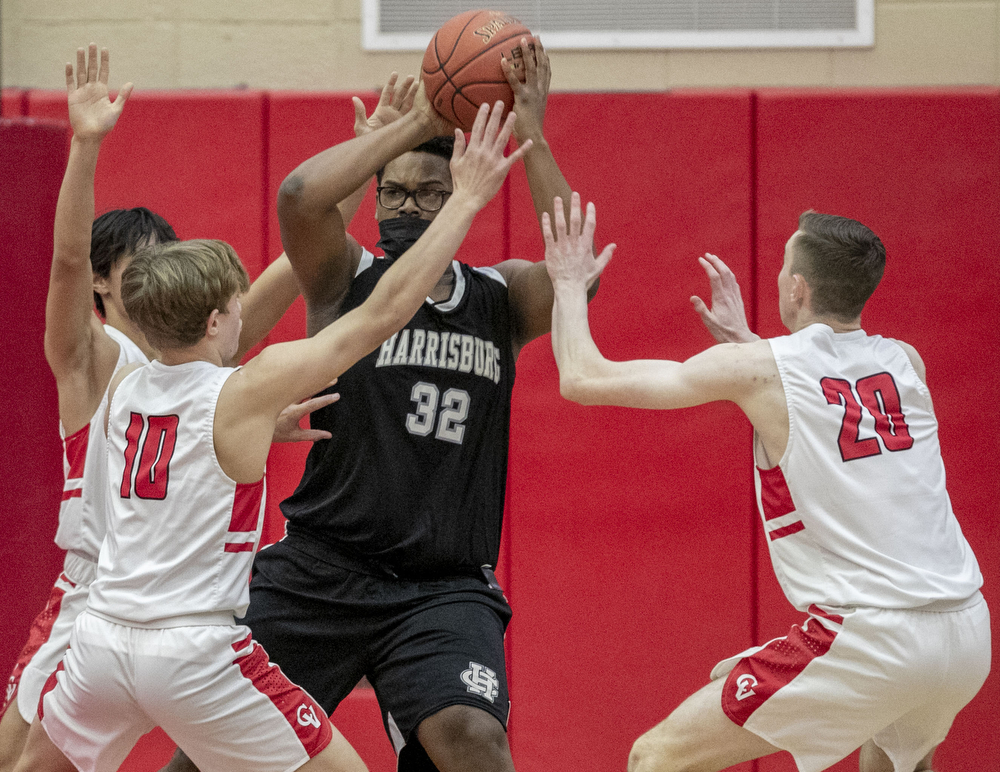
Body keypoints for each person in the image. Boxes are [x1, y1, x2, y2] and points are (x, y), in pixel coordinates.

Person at [12, 94, 529, 772]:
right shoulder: (243, 388)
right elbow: (381, 316)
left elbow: (72, 271)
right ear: (217, 323)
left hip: (102, 638)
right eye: (236, 304)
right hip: (193, 648)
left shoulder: (119, 386)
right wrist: (464, 201)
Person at [168, 40, 596, 772]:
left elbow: (575, 277)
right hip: (319, 571)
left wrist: (534, 134)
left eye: (428, 192)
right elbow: (299, 198)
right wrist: (395, 134)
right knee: (206, 756)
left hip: (442, 587)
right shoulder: (343, 278)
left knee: (475, 744)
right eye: (390, 193)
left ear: (460, 189)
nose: (405, 206)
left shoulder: (499, 295)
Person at [545, 197, 990, 772]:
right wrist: (748, 342)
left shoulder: (761, 368)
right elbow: (824, 400)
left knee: (655, 758)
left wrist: (567, 282)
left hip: (874, 638)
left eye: (783, 267)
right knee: (893, 747)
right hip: (963, 633)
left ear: (798, 288)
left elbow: (583, 377)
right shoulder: (906, 363)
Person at [0, 44, 325, 772]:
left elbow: (271, 291)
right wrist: (85, 146)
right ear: (107, 286)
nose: (162, 272)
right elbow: (65, 261)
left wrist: (347, 182)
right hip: (95, 599)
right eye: (143, 263)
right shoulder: (94, 357)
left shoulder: (186, 364)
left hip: (157, 614)